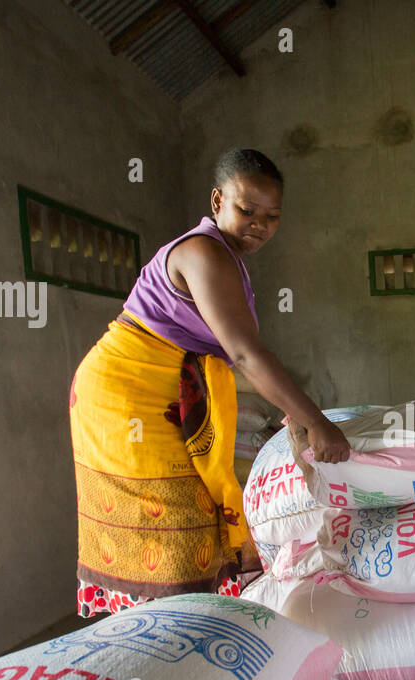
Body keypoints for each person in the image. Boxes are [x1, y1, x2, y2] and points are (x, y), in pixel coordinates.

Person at [69, 148, 349, 617]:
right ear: (217, 201)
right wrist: (316, 421)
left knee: (195, 518)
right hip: (126, 396)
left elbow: (236, 357)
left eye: (272, 216)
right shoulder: (204, 252)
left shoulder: (228, 259)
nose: (259, 223)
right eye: (247, 210)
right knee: (173, 521)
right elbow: (244, 353)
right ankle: (165, 636)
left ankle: (184, 633)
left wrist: (294, 417)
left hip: (150, 391)